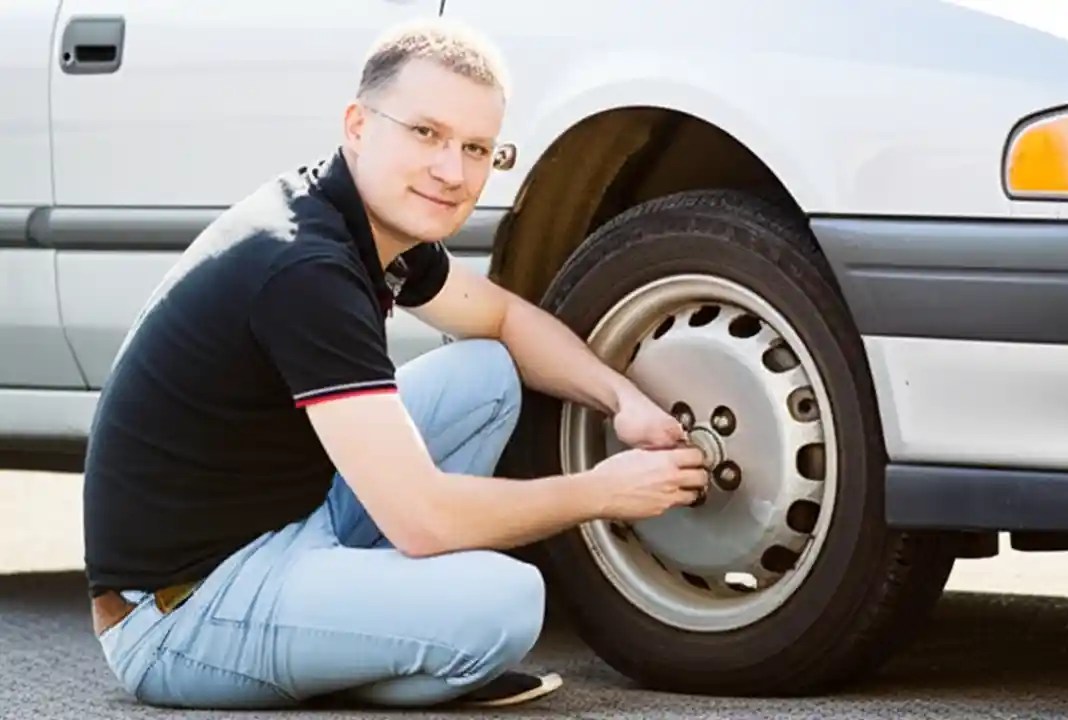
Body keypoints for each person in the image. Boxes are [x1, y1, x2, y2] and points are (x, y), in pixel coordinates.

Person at [82, 16, 709, 710]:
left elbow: (503, 319)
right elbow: (424, 522)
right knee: (506, 603)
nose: (453, 171)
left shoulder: (361, 219)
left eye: (477, 148)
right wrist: (602, 491)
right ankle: (400, 641)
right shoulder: (306, 267)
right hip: (181, 613)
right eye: (426, 134)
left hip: (287, 523)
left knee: (487, 374)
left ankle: (380, 629)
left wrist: (621, 399)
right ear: (358, 124)